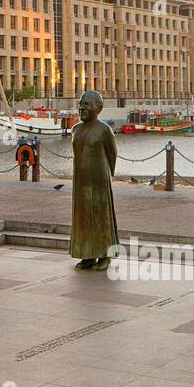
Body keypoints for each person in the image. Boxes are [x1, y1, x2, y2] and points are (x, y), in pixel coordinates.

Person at [69, 90, 119, 270]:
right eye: (81, 104)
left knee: (101, 217)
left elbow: (112, 154)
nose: (82, 108)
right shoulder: (75, 129)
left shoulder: (104, 130)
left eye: (87, 104)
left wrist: (106, 176)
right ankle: (87, 254)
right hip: (80, 182)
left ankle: (105, 254)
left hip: (99, 182)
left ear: (98, 108)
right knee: (82, 218)